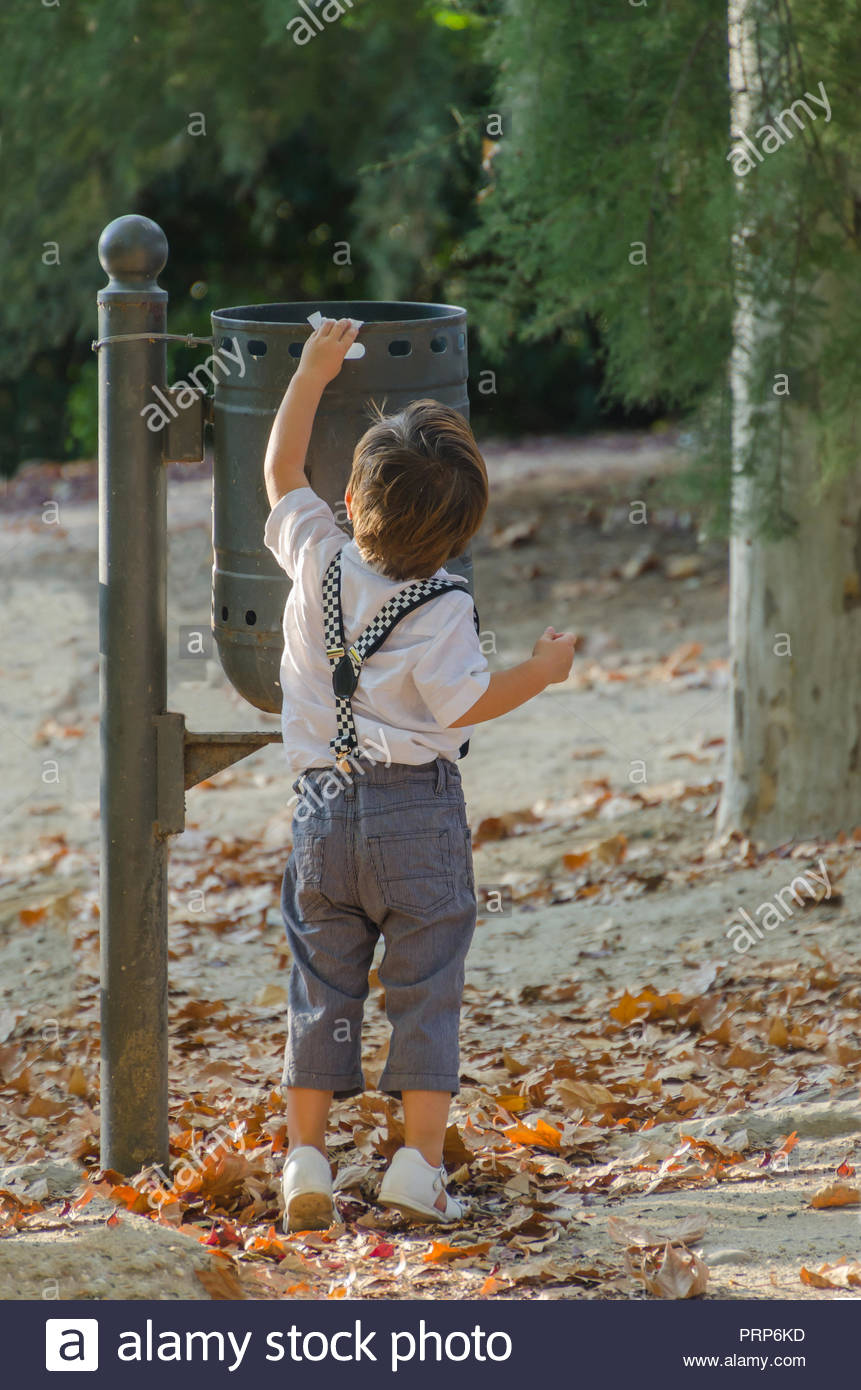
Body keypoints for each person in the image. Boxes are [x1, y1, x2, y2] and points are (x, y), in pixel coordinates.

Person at [263, 316, 576, 1231]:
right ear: (460, 533)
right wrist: (542, 671)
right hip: (417, 820)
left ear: (352, 495)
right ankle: (416, 1165)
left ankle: (306, 1160)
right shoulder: (444, 606)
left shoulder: (313, 553)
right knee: (425, 987)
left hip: (320, 816)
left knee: (322, 987)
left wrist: (312, 374)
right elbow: (464, 704)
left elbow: (281, 469)